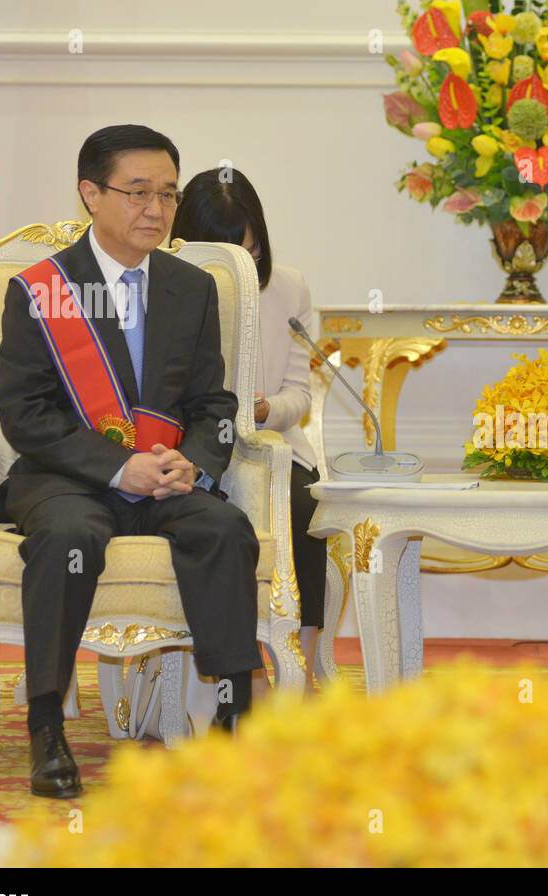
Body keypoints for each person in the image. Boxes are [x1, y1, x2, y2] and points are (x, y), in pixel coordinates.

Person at [0, 125, 263, 798]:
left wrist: (193, 464)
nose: (157, 209)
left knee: (223, 529)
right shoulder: (43, 289)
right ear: (91, 193)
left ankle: (234, 711)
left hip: (165, 477)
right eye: (138, 192)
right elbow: (24, 414)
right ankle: (47, 726)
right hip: (66, 479)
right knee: (67, 537)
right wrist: (117, 468)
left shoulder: (191, 287)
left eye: (169, 194)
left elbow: (215, 402)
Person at [170, 168, 325, 693]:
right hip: (190, 450)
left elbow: (299, 396)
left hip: (270, 447)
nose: (245, 268)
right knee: (216, 522)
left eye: (252, 252)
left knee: (304, 510)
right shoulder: (161, 284)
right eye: (228, 257)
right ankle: (246, 667)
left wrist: (264, 411)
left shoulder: (289, 288)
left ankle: (298, 665)